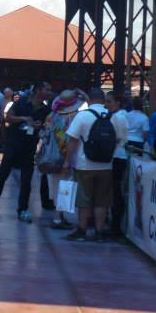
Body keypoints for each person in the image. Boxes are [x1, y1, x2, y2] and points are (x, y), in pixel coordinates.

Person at [62, 87, 125, 242]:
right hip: (106, 166)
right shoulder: (113, 117)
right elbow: (120, 139)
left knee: (84, 200)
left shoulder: (82, 116)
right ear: (103, 100)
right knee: (102, 201)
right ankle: (99, 232)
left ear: (88, 100)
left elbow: (72, 141)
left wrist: (67, 161)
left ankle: (82, 231)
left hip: (84, 165)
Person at [0, 81, 53, 223]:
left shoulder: (45, 110)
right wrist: (24, 118)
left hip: (29, 147)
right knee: (2, 175)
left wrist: (39, 126)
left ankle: (22, 209)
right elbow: (8, 117)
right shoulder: (22, 102)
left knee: (26, 180)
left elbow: (47, 126)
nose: (50, 92)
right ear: (38, 90)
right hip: (13, 145)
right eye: (47, 89)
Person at [39, 89, 84, 229]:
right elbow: (72, 140)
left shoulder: (51, 116)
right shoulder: (73, 117)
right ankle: (58, 218)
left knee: (55, 186)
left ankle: (60, 216)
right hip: (67, 157)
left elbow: (43, 135)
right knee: (65, 187)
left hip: (51, 157)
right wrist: (67, 159)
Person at [106, 92, 130, 237]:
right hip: (119, 156)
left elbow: (118, 138)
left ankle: (115, 226)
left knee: (115, 192)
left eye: (109, 102)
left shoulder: (117, 117)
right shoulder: (122, 116)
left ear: (117, 103)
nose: (106, 105)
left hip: (117, 156)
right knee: (115, 191)